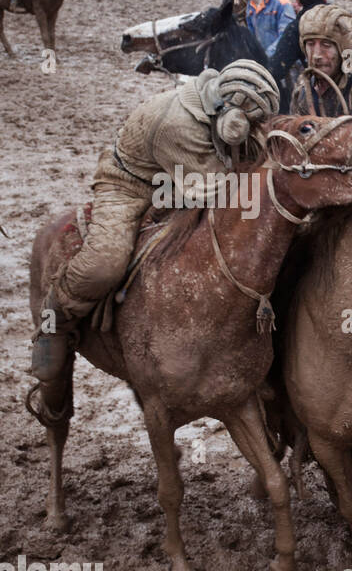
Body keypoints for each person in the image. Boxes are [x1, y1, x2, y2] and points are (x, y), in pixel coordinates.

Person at [30, 62, 280, 384]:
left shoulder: (221, 107)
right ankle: (55, 318)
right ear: (231, 117)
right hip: (132, 185)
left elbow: (255, 152)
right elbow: (219, 189)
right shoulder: (178, 125)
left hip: (177, 183)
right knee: (105, 262)